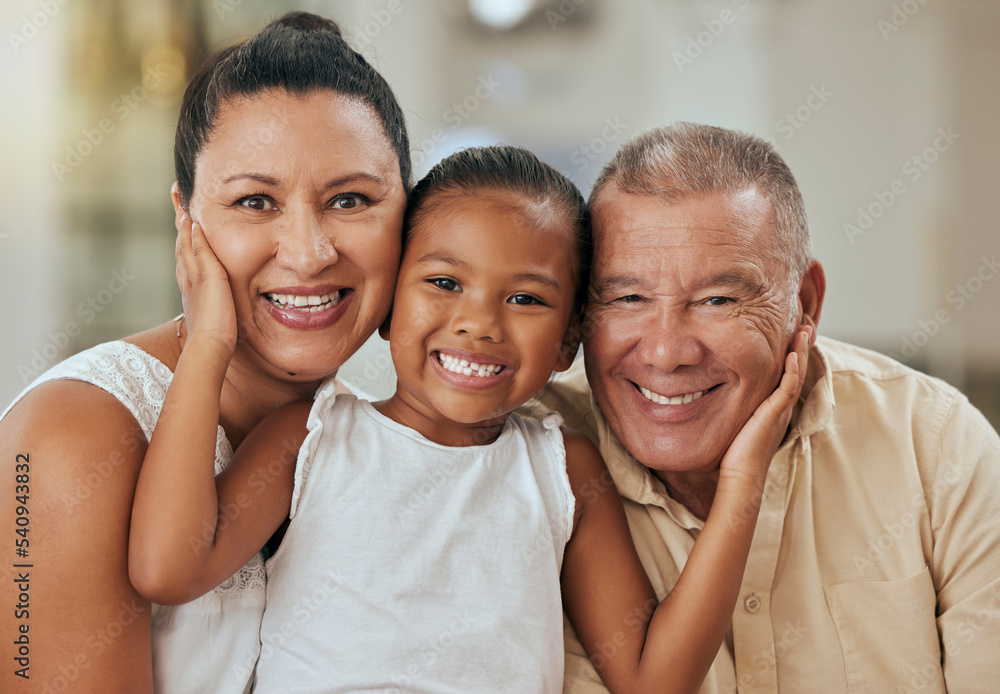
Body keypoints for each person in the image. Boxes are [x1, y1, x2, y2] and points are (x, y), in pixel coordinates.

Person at [128, 144, 812, 693]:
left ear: (569, 344)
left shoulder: (562, 469)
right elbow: (168, 568)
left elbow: (654, 680)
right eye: (445, 283)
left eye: (525, 298)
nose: (479, 324)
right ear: (389, 304)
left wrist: (742, 479)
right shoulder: (310, 437)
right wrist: (209, 341)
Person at [0, 12, 410, 693]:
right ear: (184, 218)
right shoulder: (69, 435)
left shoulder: (369, 441)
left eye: (350, 199)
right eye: (255, 201)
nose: (309, 252)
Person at [526, 123, 1000, 693]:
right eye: (628, 298)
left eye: (718, 300)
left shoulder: (937, 444)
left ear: (804, 304)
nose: (665, 352)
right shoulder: (525, 465)